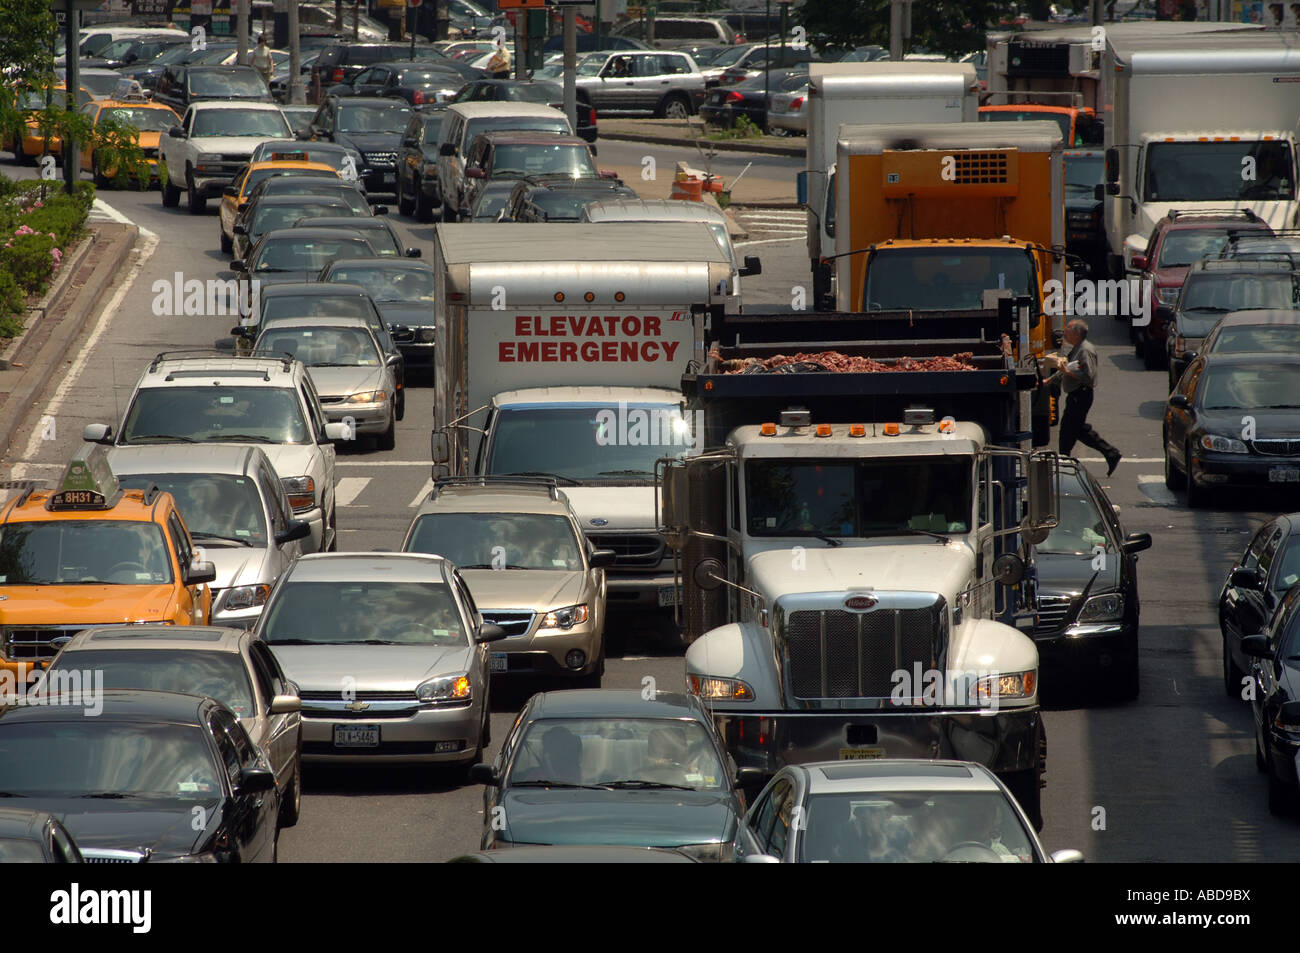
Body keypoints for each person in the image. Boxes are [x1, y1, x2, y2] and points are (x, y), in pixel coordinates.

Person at [1044, 319, 1122, 476]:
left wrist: (1067, 373)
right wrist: (1049, 381)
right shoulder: (1076, 349)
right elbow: (1066, 368)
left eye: (1068, 331)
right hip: (1075, 395)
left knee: (1067, 430)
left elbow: (1088, 376)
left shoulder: (1085, 350)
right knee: (1079, 430)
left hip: (1081, 395)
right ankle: (1111, 453)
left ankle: (1063, 464)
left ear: (1077, 333)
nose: (1064, 333)